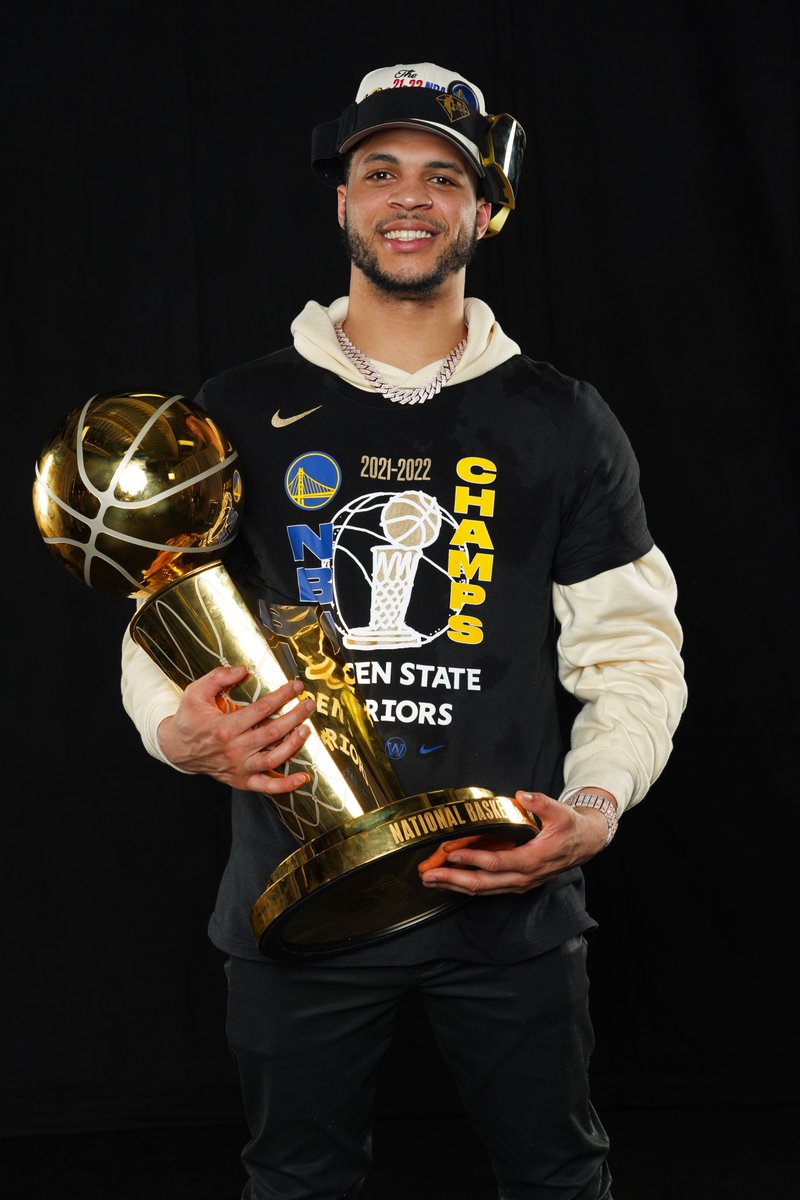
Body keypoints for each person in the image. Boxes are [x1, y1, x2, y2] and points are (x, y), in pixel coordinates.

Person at [121, 62, 687, 1200]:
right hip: (295, 896)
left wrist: (591, 808)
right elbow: (160, 622)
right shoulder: (231, 409)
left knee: (555, 1176)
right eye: (380, 172)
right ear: (341, 201)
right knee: (293, 1178)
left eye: (443, 175)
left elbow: (629, 649)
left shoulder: (560, 417)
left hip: (506, 897)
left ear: (484, 208)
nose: (409, 197)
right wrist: (177, 737)